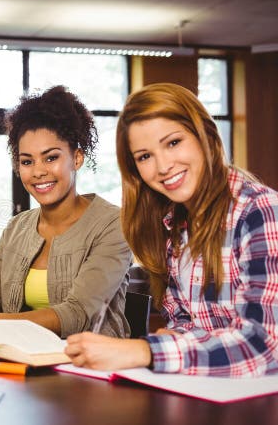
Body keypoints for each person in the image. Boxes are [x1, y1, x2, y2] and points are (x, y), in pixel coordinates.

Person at [65, 83, 278, 377]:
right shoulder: (174, 225)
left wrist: (145, 350)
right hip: (209, 394)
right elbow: (185, 324)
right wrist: (171, 337)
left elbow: (264, 344)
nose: (163, 165)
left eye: (173, 142)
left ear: (205, 134)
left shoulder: (260, 210)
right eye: (144, 156)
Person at [0, 86, 132, 339]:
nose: (38, 171)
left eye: (50, 158)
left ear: (77, 158)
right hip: (23, 361)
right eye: (27, 161)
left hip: (91, 367)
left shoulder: (113, 224)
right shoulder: (17, 227)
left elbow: (76, 314)